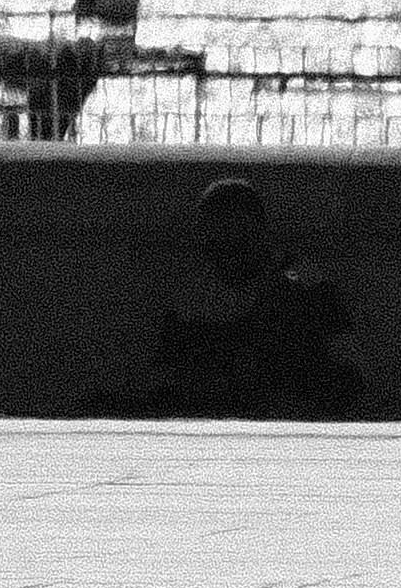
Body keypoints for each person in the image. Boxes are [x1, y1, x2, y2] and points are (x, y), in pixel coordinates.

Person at [94, 179, 363, 417]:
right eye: (215, 234)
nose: (225, 243)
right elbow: (167, 374)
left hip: (292, 416)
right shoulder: (194, 295)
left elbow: (350, 373)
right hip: (214, 415)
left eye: (236, 232)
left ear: (258, 231)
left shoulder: (307, 288)